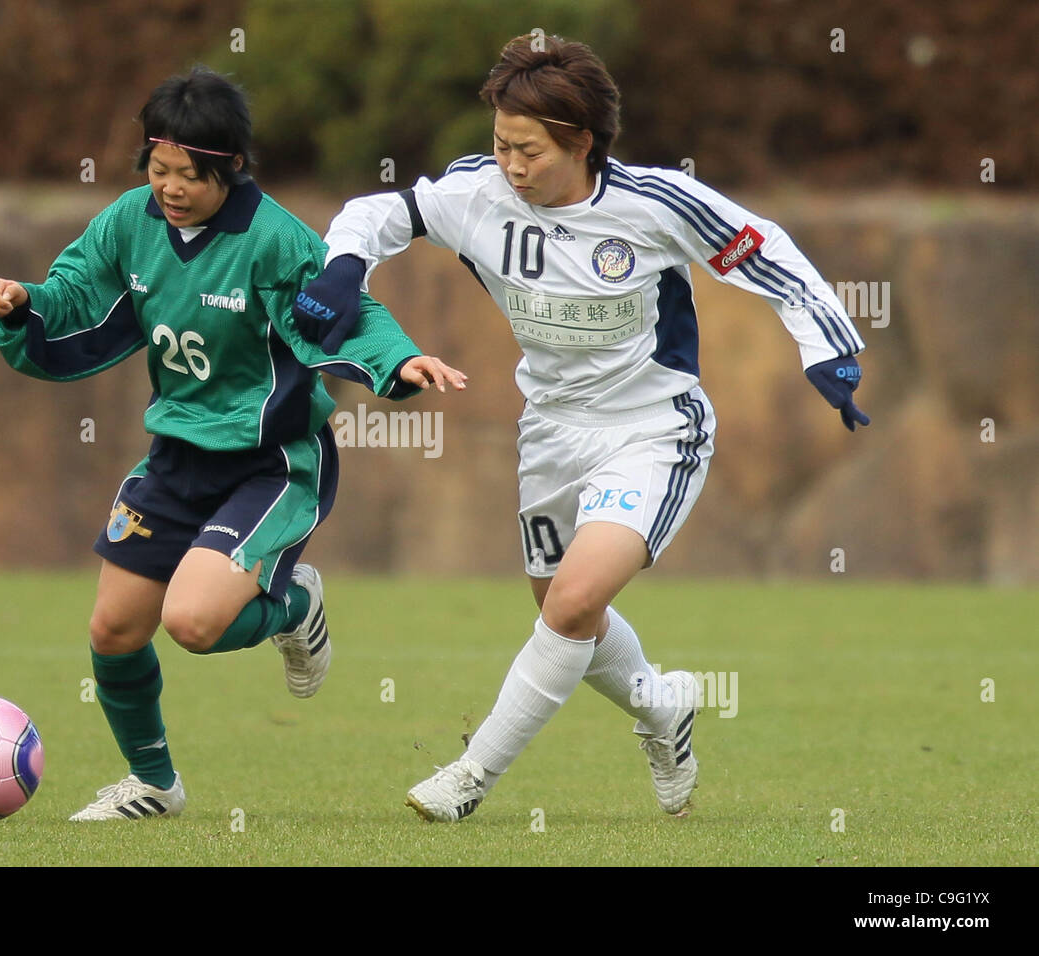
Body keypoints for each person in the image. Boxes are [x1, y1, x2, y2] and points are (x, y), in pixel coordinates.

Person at [294, 34, 869, 822]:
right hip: (552, 432)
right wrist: (344, 264)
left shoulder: (658, 204)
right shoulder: (477, 194)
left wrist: (831, 349)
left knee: (570, 605)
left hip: (653, 431)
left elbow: (765, 251)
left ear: (582, 143)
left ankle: (470, 776)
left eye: (528, 150)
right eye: (500, 144)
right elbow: (380, 211)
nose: (510, 165)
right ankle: (664, 710)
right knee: (566, 612)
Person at [0, 66, 466, 822]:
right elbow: (75, 291)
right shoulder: (129, 221)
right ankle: (154, 785)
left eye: (189, 176)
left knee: (194, 624)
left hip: (269, 463)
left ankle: (294, 603)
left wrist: (394, 361)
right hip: (175, 459)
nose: (169, 188)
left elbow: (339, 312)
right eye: (159, 169)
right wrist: (25, 304)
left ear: (231, 167)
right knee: (113, 630)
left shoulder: (273, 239)